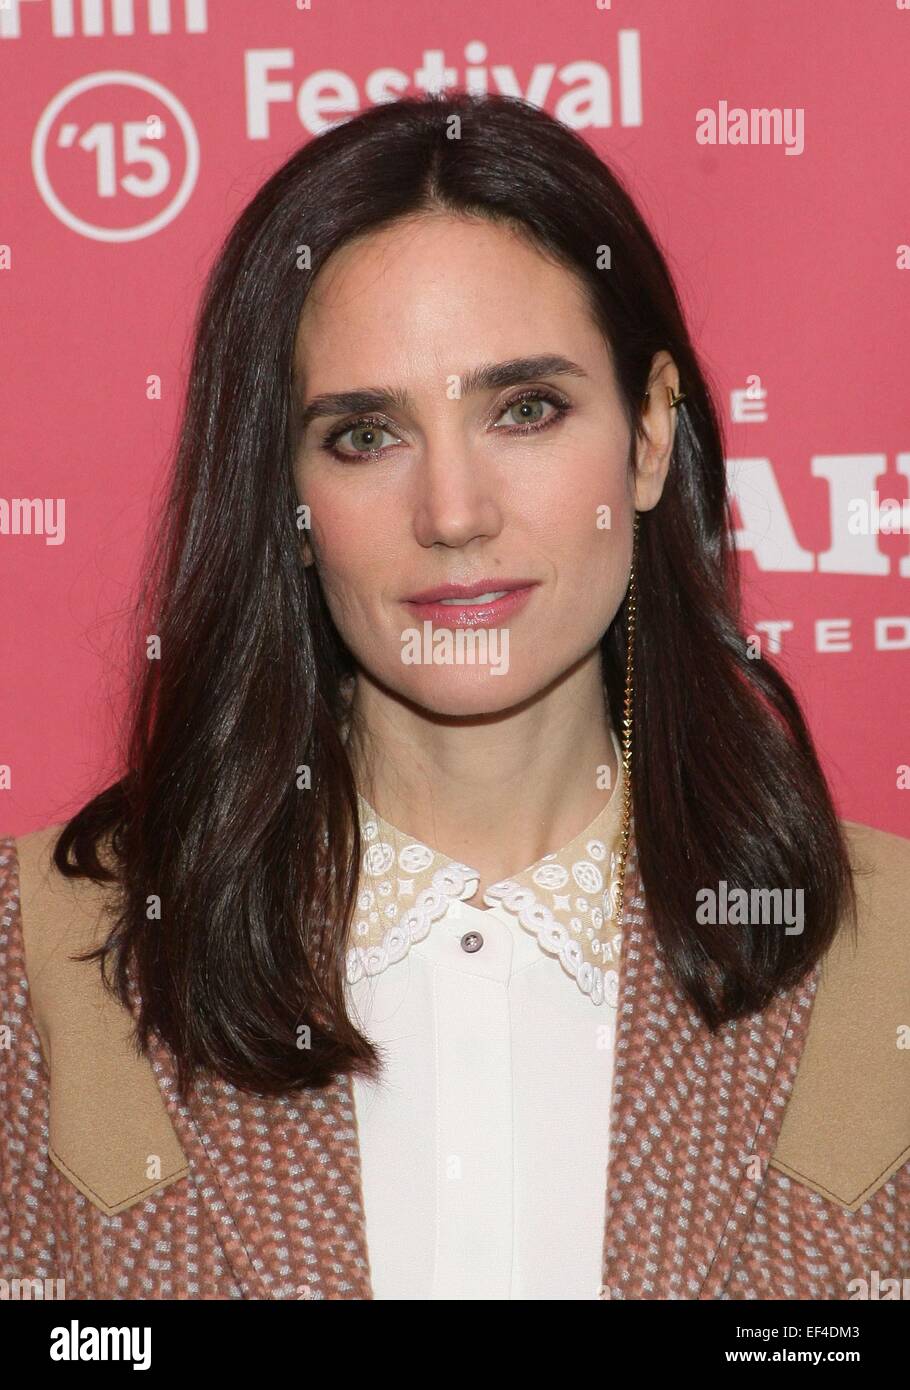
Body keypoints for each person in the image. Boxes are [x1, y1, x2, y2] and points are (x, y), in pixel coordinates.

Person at [2, 92, 908, 1302]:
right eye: (366, 434)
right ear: (284, 494)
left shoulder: (886, 962)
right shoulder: (38, 967)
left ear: (647, 435)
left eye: (524, 409)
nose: (453, 512)